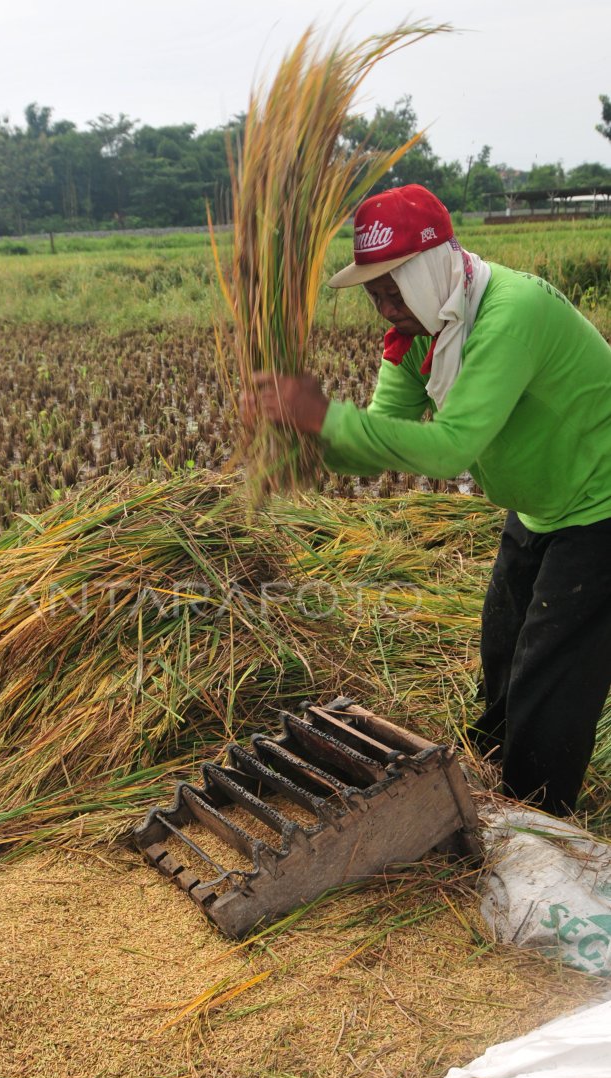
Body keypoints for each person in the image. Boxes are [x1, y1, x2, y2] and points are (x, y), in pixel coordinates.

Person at [242, 183, 611, 816]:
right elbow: (385, 436)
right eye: (373, 294)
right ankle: (493, 782)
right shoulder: (422, 332)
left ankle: (538, 827)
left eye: (392, 288)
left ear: (430, 268)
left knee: (550, 669)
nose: (385, 307)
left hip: (601, 503)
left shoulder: (510, 312)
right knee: (502, 642)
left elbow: (446, 448)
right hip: (540, 502)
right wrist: (306, 443)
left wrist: (325, 414)